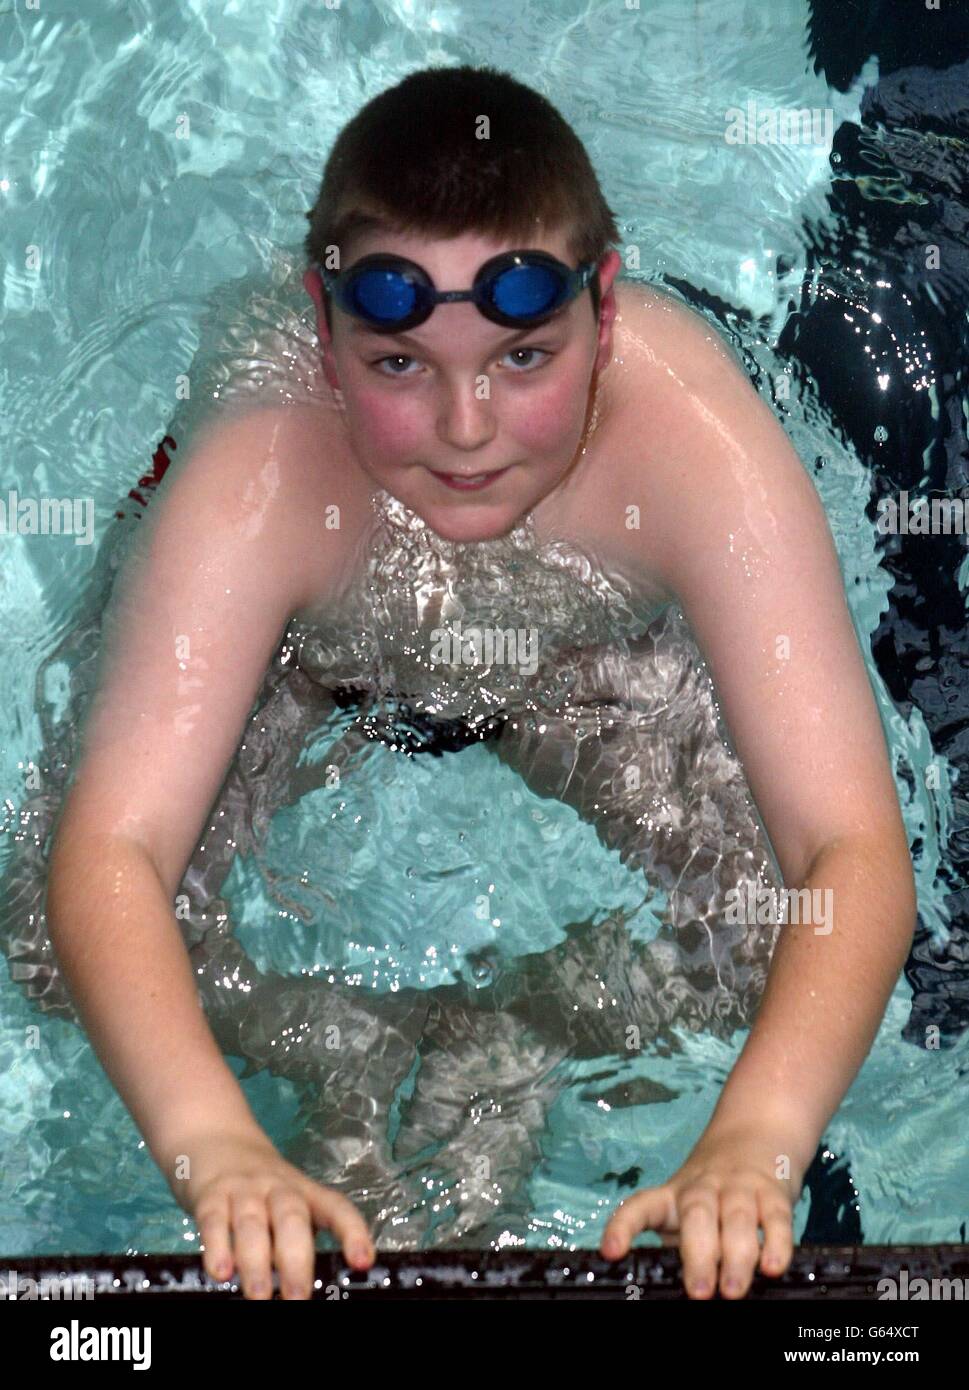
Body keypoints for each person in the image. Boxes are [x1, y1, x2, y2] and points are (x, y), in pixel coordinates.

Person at [9, 64, 915, 1301]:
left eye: (524, 356)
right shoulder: (260, 470)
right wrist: (210, 1143)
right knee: (50, 941)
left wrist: (756, 1142)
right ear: (323, 331)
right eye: (398, 367)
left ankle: (526, 1030)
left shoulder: (692, 438)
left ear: (606, 302)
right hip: (308, 658)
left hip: (579, 657)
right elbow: (114, 849)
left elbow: (849, 848)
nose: (467, 425)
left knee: (777, 937)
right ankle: (336, 1043)